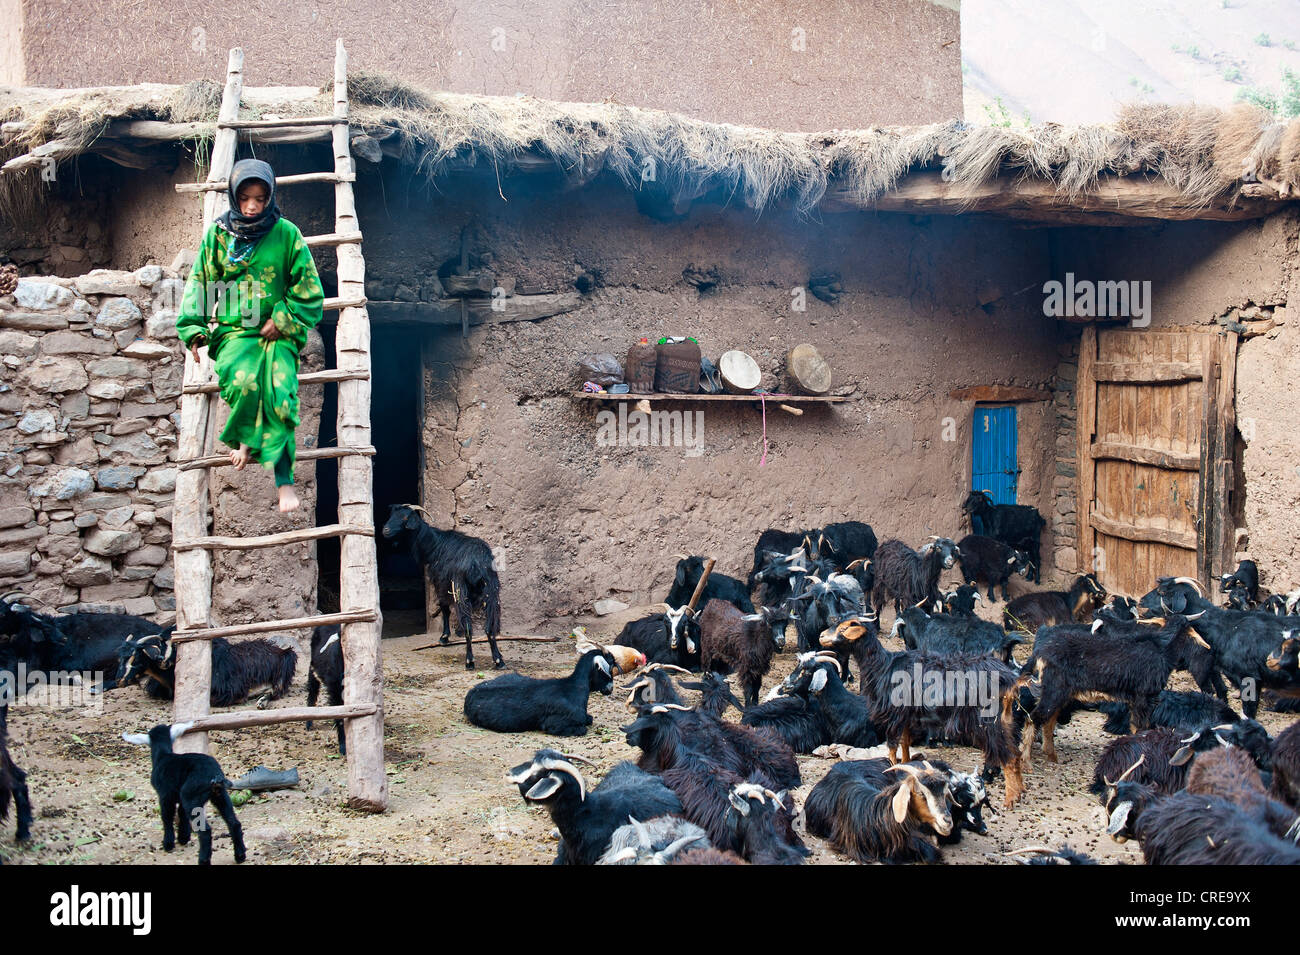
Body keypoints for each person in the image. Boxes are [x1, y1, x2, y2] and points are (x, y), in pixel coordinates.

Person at [175, 159, 324, 513]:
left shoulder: (287, 234)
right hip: (234, 332)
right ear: (234, 196)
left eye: (260, 197)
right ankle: (246, 439)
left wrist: (284, 318)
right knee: (244, 382)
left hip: (279, 334)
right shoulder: (218, 235)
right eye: (244, 198)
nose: (252, 206)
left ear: (270, 196)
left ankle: (284, 482)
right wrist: (194, 328)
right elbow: (202, 283)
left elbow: (309, 292)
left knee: (280, 392)